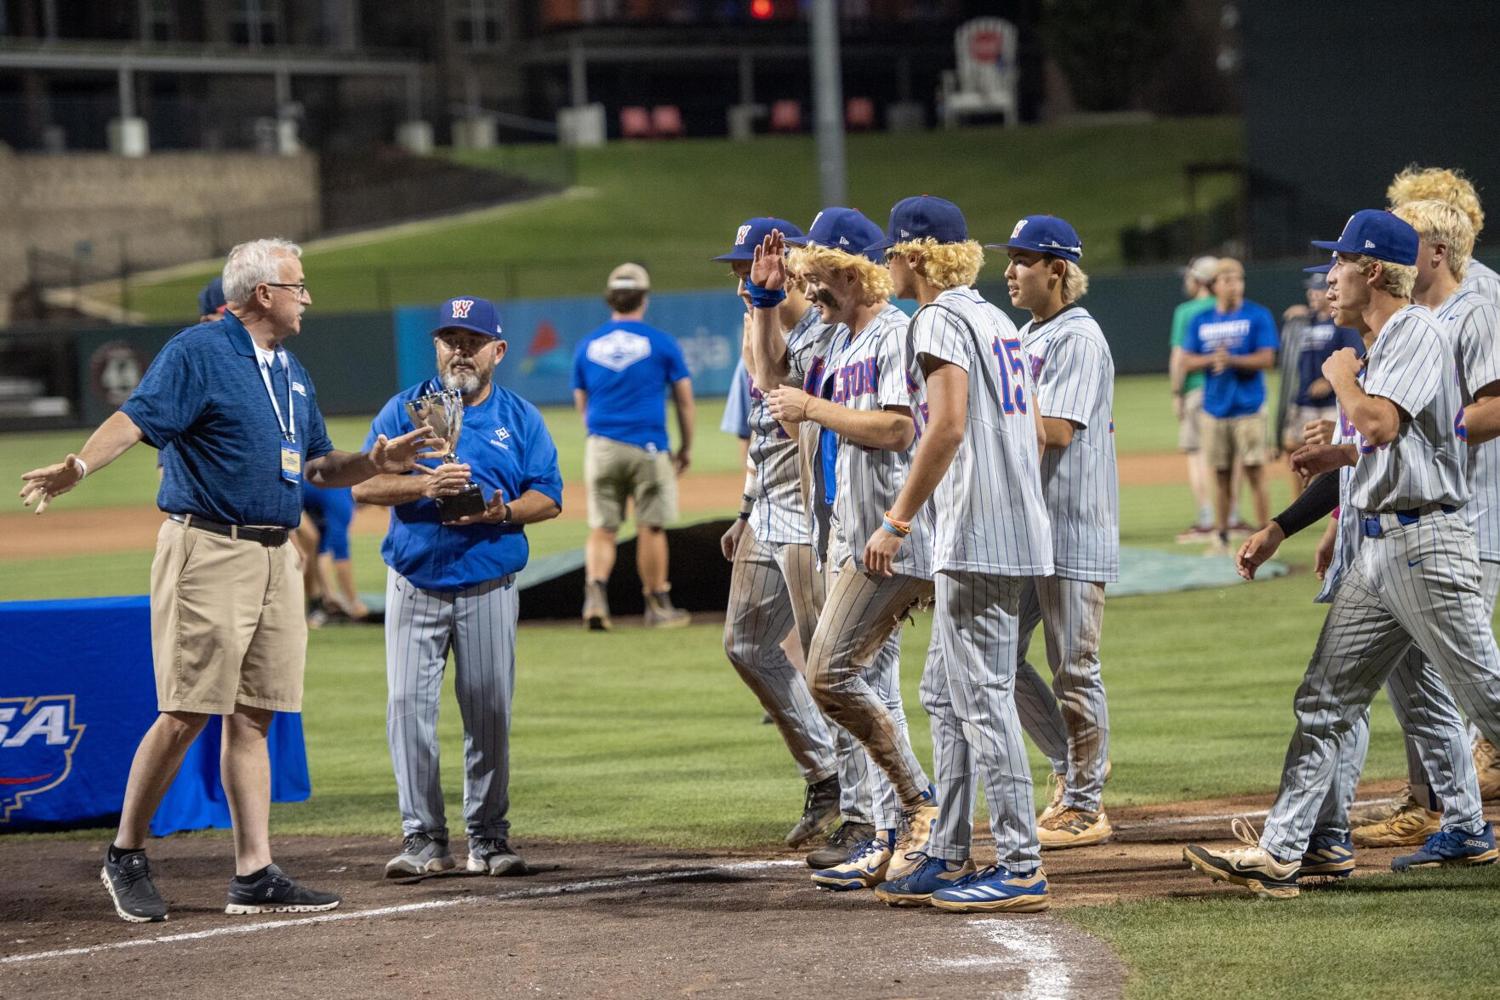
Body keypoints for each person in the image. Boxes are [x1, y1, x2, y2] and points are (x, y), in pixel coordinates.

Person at [19, 238, 434, 922]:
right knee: (185, 711)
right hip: (209, 548)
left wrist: (376, 459)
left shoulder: (293, 371)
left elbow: (321, 469)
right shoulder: (199, 351)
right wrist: (80, 468)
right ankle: (124, 853)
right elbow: (134, 419)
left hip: (276, 557)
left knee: (254, 713)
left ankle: (254, 872)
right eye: (299, 285)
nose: (308, 297)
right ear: (263, 293)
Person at [1183, 210, 1500, 900]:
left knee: (1492, 704)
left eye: (1341, 263)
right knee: (1323, 702)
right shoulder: (1383, 342)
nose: (1329, 277)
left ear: (1376, 272)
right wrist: (1333, 460)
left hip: (1428, 547)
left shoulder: (1413, 330)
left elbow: (1383, 422)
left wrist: (1343, 378)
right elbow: (1389, 442)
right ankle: (1283, 853)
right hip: (1380, 552)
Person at [857, 198, 1056, 913]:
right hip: (1002, 527)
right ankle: (947, 849)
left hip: (977, 534)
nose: (886, 265)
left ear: (912, 256)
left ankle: (1021, 863)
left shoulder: (937, 319)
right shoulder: (996, 318)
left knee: (982, 703)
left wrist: (899, 521)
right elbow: (1032, 430)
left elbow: (941, 428)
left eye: (891, 253)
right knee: (944, 693)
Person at [353, 295, 563, 878]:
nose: (460, 351)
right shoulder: (405, 411)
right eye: (450, 339)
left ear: (498, 350)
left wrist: (500, 514)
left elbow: (548, 497)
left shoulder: (520, 418)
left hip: (488, 582)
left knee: (489, 711)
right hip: (415, 581)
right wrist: (423, 487)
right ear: (437, 348)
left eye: (472, 340)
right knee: (406, 710)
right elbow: (364, 489)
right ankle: (423, 839)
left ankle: (489, 838)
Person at [762, 207, 939, 892]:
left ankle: (920, 804)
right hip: (852, 532)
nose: (819, 287)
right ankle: (888, 833)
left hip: (891, 536)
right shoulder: (839, 341)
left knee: (829, 673)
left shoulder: (893, 333)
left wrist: (813, 409)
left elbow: (898, 430)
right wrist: (767, 300)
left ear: (861, 271)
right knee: (875, 686)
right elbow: (773, 370)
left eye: (826, 273)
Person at [712, 217, 846, 849]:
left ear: (788, 265)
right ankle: (826, 775)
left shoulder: (823, 331)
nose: (744, 283)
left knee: (834, 665)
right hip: (767, 509)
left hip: (813, 518)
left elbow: (811, 431)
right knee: (745, 643)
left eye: (752, 269)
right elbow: (761, 432)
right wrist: (743, 508)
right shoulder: (756, 324)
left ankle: (870, 806)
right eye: (740, 272)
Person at [1003, 215, 1120, 850]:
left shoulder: (1078, 336)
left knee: (1074, 666)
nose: (1010, 270)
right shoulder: (1026, 334)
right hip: (1031, 530)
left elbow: (1055, 431)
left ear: (1056, 269)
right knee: (1000, 657)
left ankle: (1085, 802)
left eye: (1023, 259)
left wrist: (983, 417)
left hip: (1074, 527)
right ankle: (1071, 765)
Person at [1384, 165, 1500, 802]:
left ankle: (1448, 809)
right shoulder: (1412, 301)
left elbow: (1492, 405)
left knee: (1464, 674)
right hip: (1422, 511)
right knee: (1420, 673)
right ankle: (1434, 806)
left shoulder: (1479, 300)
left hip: (1472, 508)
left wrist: (1431, 431)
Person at [572, 263, 694, 629]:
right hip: (648, 444)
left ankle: (595, 598)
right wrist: (685, 447)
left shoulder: (587, 344)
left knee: (602, 528)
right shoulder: (661, 342)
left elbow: (582, 401)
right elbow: (684, 400)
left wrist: (597, 434)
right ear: (644, 298)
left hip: (602, 445)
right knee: (650, 526)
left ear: (610, 298)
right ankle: (657, 605)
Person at [1180, 258, 1278, 552]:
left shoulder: (1257, 315)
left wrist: (1231, 360)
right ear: (1214, 285)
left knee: (1255, 472)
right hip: (1215, 408)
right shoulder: (1202, 320)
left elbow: (1267, 359)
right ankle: (1221, 535)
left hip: (1249, 406)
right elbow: (1186, 360)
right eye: (1228, 279)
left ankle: (1265, 537)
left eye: (1239, 279)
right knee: (1219, 474)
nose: (1235, 285)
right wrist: (1213, 360)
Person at [1271, 273, 1364, 466]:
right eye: (1311, 289)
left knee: (1330, 456)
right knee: (1296, 452)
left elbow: (1354, 356)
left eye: (1319, 289)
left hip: (1331, 402)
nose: (1313, 294)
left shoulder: (1341, 323)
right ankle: (1299, 498)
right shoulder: (1303, 320)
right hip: (1303, 399)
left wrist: (1329, 382)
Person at [1170, 256, 1220, 540]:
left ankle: (1206, 519)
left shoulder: (1187, 312)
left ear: (1199, 280)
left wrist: (1176, 391)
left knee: (1198, 456)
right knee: (1227, 459)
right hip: (1226, 392)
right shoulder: (1227, 309)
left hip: (1196, 390)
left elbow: (1179, 357)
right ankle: (1231, 517)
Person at [296, 480, 368, 625]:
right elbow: (341, 556)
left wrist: (330, 594)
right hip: (280, 496)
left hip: (296, 494)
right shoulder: (341, 496)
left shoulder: (340, 489)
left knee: (315, 540)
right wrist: (354, 603)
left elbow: (322, 551)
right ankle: (313, 605)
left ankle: (324, 600)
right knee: (309, 539)